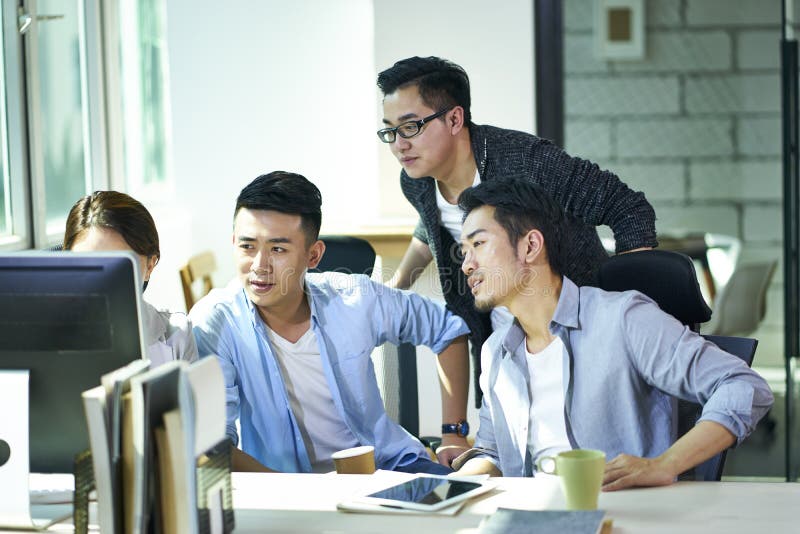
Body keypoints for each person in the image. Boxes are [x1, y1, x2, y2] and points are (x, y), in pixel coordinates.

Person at [376, 57, 659, 456]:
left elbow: (628, 208)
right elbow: (431, 224)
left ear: (455, 119)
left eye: (410, 127)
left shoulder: (527, 161)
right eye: (390, 132)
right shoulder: (417, 181)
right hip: (503, 339)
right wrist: (397, 285)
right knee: (515, 457)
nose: (399, 144)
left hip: (576, 328)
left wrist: (627, 313)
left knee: (593, 454)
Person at [452, 178, 773, 490]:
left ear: (530, 246)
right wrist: (447, 490)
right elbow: (492, 453)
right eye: (464, 251)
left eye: (478, 244)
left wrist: (665, 464)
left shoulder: (623, 320)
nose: (466, 265)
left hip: (621, 518)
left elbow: (743, 385)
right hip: (533, 519)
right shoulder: (497, 351)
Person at [189, 171, 470, 474]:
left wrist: (453, 432)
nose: (259, 266)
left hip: (389, 468)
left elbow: (447, 328)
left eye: (278, 249)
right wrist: (300, 496)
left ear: (313, 255)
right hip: (285, 486)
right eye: (247, 246)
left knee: (466, 505)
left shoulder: (354, 298)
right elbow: (214, 445)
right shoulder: (214, 324)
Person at [63, 190, 198, 366]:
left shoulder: (177, 334)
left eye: (120, 265)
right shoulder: (48, 337)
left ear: (149, 265)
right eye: (87, 264)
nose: (102, 281)